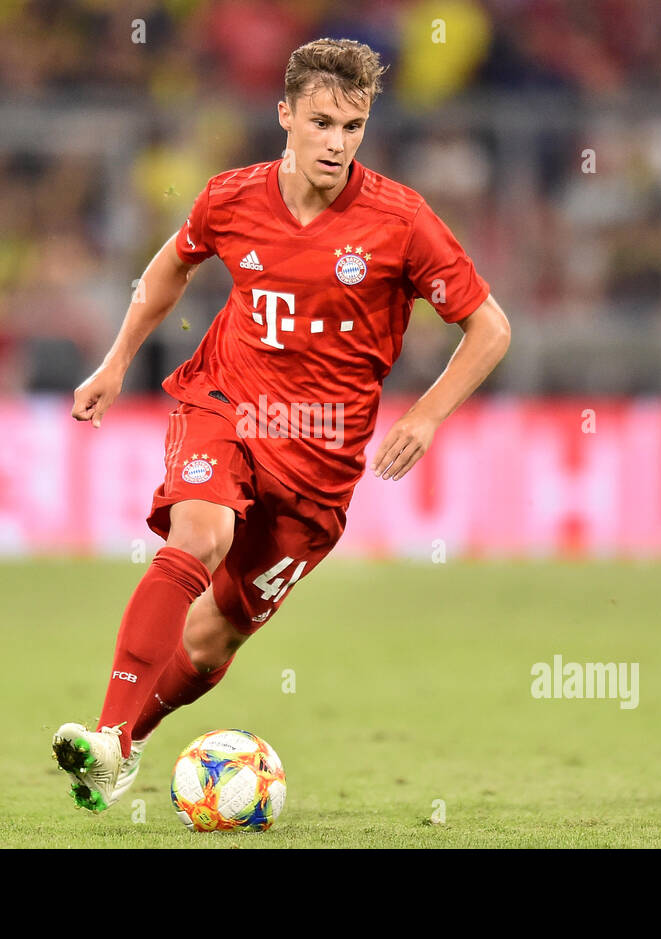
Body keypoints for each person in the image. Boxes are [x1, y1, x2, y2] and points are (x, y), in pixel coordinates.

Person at [53, 37, 510, 812]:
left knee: (209, 642)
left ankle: (124, 746)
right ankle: (106, 735)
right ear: (286, 115)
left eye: (353, 126)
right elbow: (171, 263)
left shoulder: (400, 222)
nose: (337, 143)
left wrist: (429, 415)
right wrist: (116, 358)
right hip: (225, 404)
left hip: (319, 468)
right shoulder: (231, 198)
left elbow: (490, 327)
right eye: (323, 122)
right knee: (199, 536)